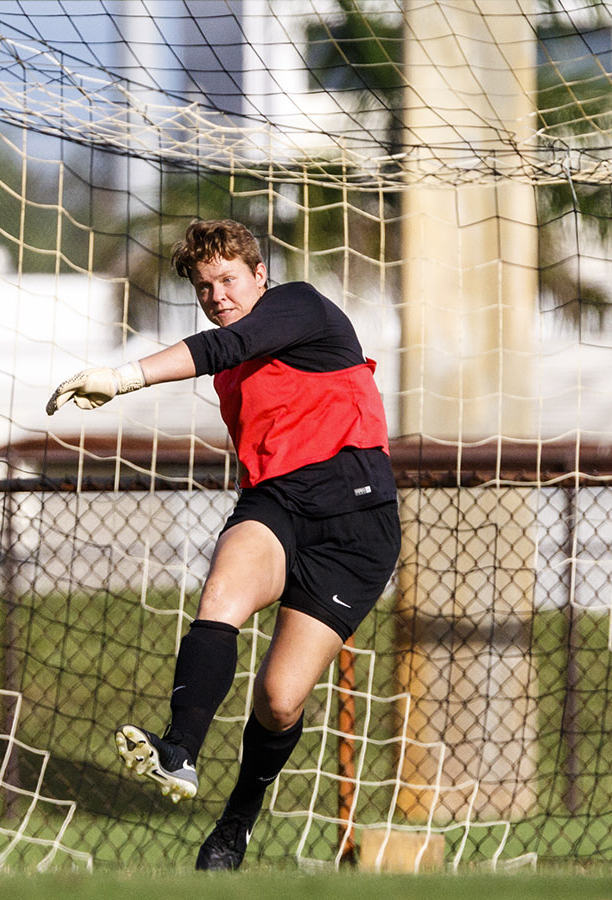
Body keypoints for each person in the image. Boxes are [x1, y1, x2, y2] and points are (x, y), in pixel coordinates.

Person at [46, 219, 398, 871]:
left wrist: (123, 376)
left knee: (279, 699)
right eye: (205, 287)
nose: (218, 294)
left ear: (259, 275)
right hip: (277, 504)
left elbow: (226, 343)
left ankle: (234, 827)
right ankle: (179, 750)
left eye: (228, 279)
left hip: (354, 520)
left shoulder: (300, 305)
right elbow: (228, 352)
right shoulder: (233, 362)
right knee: (220, 594)